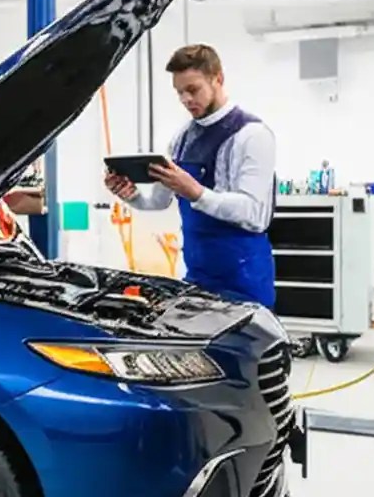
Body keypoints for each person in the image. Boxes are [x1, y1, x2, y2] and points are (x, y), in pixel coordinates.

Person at [105, 44, 277, 307]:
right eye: (179, 92)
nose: (186, 99)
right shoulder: (182, 139)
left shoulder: (252, 136)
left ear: (218, 78)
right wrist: (132, 196)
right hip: (198, 276)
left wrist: (196, 192)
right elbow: (159, 202)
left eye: (193, 90)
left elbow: (254, 213)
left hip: (245, 278)